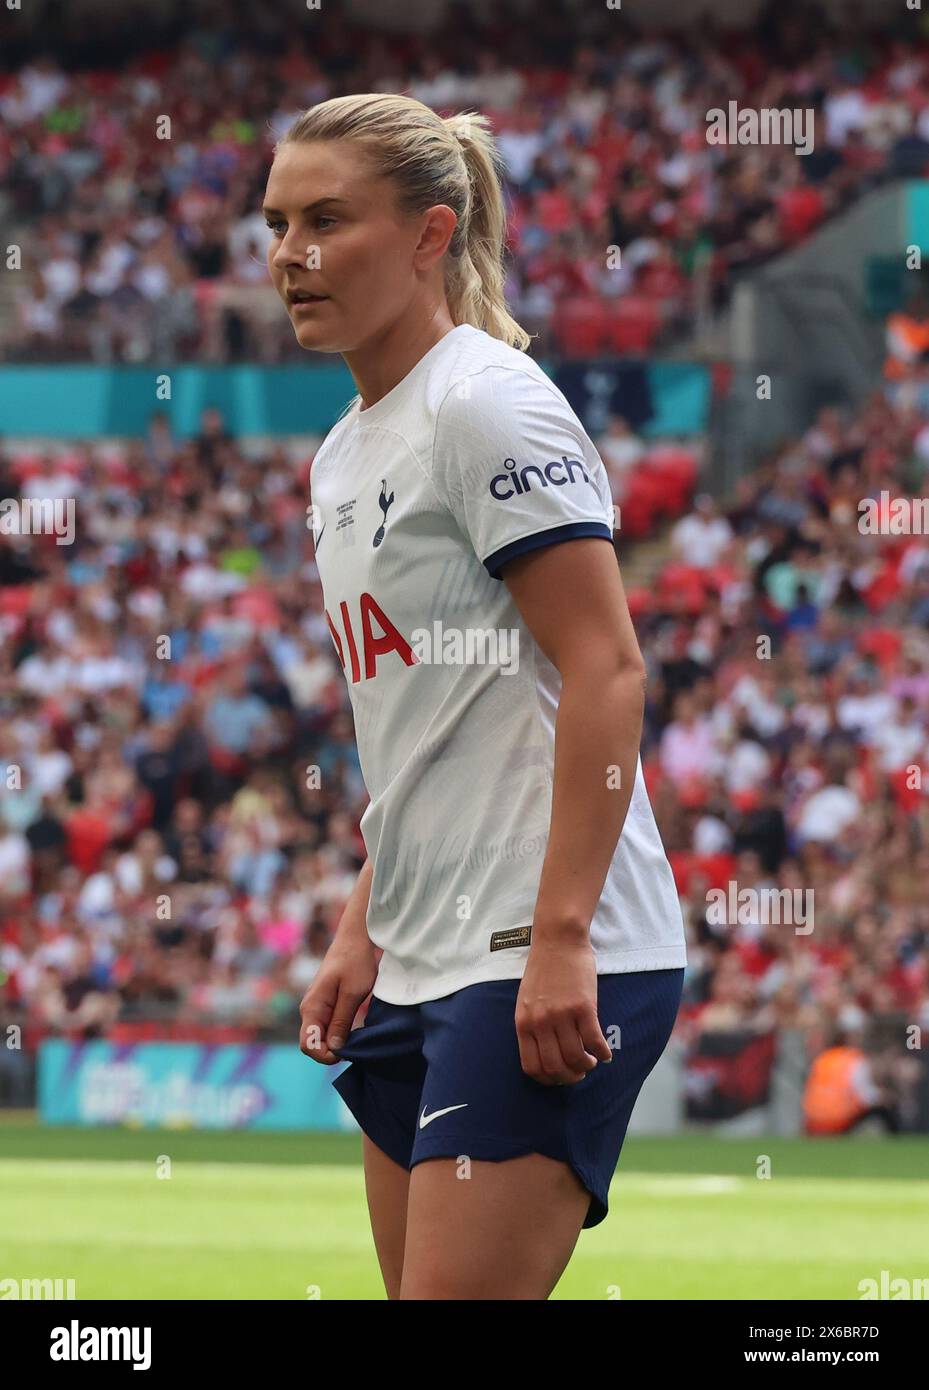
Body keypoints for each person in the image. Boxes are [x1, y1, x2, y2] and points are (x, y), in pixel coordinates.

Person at [263, 92, 686, 1301]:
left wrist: (558, 938)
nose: (292, 254)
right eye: (279, 222)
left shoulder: (482, 400)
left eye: (328, 220)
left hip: (538, 947)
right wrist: (365, 923)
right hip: (420, 950)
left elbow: (606, 668)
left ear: (430, 236)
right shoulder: (344, 450)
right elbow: (431, 726)